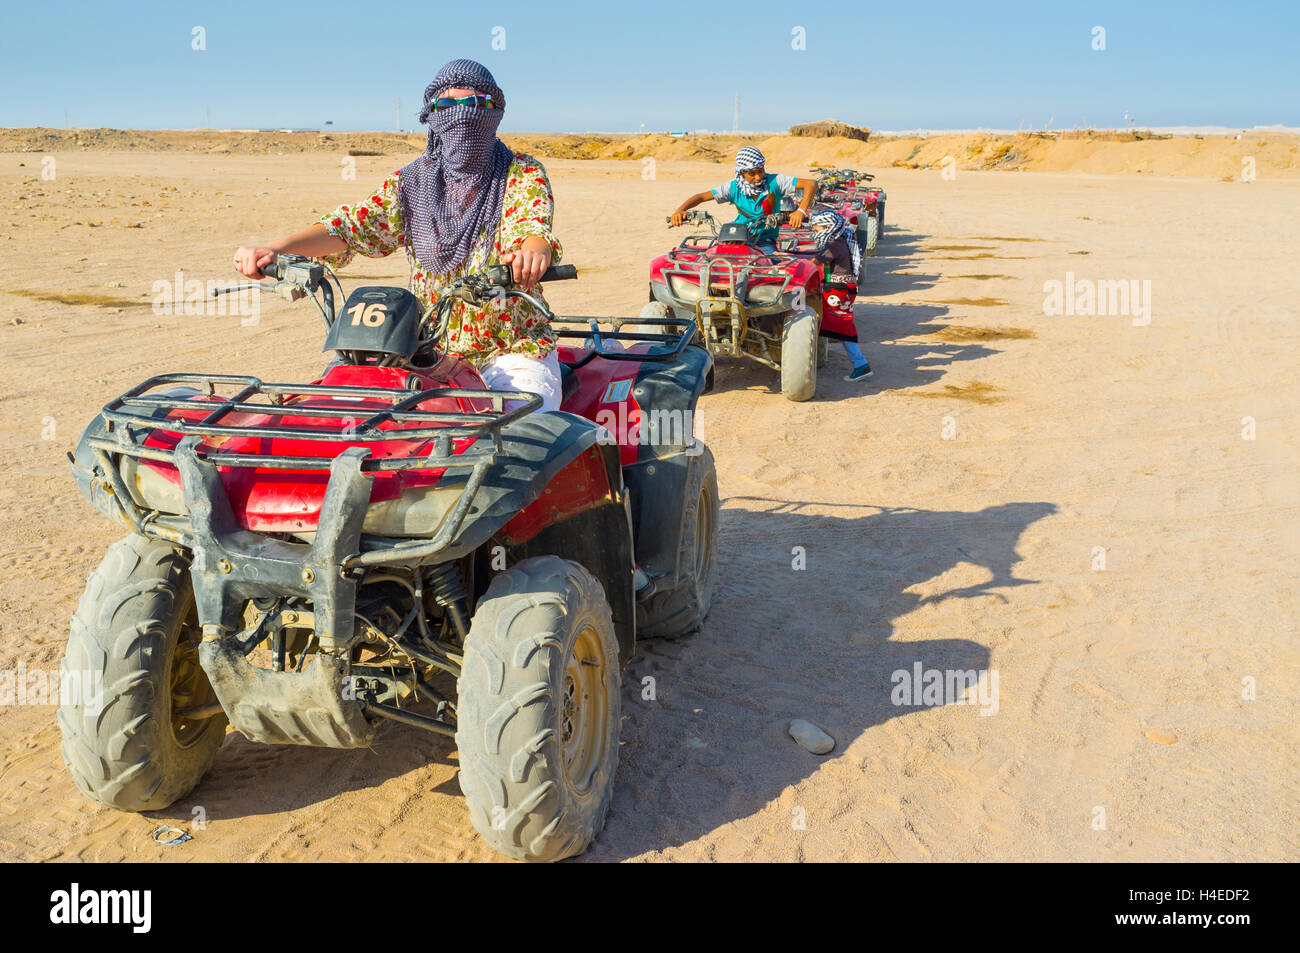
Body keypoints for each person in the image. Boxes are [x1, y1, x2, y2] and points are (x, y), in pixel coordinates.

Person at [232, 59, 565, 410]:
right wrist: (276, 249)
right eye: (448, 104)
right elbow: (351, 226)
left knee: (523, 430)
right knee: (347, 413)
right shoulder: (411, 183)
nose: (461, 114)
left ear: (494, 111)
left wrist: (533, 252)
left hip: (509, 349)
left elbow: (532, 227)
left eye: (474, 104)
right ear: (432, 115)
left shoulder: (520, 173)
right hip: (425, 348)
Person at [668, 146, 816, 253]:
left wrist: (800, 211)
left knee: (772, 267)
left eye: (761, 171)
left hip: (764, 240)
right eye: (752, 174)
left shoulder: (776, 181)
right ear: (741, 173)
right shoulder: (733, 188)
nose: (758, 177)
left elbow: (811, 184)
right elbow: (700, 197)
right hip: (737, 236)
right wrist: (680, 210)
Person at [808, 209, 872, 382]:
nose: (815, 232)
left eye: (816, 229)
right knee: (831, 323)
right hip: (842, 287)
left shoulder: (834, 245)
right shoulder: (840, 240)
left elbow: (815, 262)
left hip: (839, 289)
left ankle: (860, 364)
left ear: (829, 227)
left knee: (841, 326)